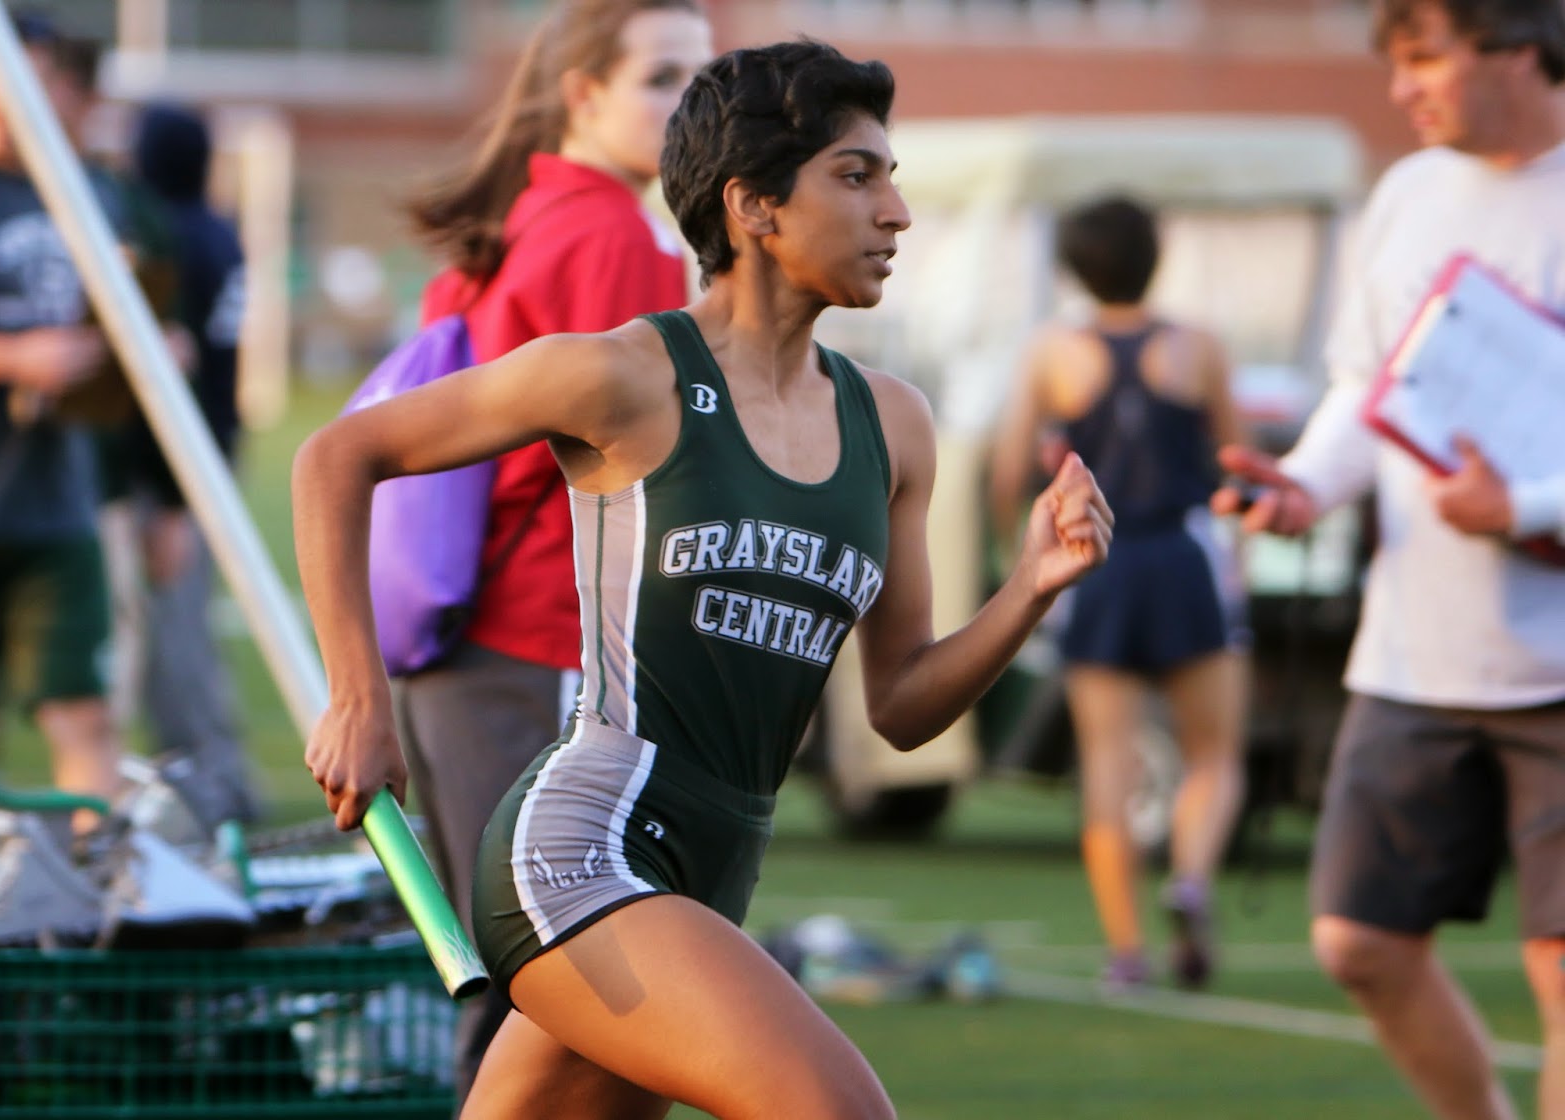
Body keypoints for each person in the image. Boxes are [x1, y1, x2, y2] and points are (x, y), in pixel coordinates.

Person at [296, 39, 1113, 1120]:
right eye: (856, 176)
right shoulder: (621, 374)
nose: (897, 213)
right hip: (585, 848)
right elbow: (336, 458)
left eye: (892, 177)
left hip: (715, 877)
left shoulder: (893, 425)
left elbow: (904, 705)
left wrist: (1028, 590)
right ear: (754, 208)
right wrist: (360, 700)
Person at [1213, 2, 1565, 1117]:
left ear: (1517, 45)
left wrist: (1528, 506)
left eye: (1425, 59)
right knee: (1358, 940)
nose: (1401, 89)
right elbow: (1369, 393)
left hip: (1559, 669)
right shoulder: (1408, 193)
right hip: (1414, 651)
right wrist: (1307, 483)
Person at [393, 0, 711, 1106]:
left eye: (700, 81)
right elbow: (656, 471)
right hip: (530, 642)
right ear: (583, 93)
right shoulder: (609, 236)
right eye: (662, 78)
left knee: (511, 978)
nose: (688, 111)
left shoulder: (524, 212)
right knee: (563, 980)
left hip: (454, 640)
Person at [989, 193, 1249, 992]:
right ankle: (1193, 874)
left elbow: (1006, 474)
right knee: (1215, 753)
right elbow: (1237, 459)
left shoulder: (1052, 352)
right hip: (1181, 554)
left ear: (1075, 267)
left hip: (1096, 561)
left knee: (1108, 758)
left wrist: (1020, 560)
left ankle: (1127, 950)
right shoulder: (1198, 347)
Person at [0, 11, 127, 829]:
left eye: (35, 81)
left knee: (84, 714)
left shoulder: (87, 190)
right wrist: (14, 358)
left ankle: (105, 908)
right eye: (0, 76)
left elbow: (126, 308)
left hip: (55, 505)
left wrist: (144, 339)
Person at [116, 101, 257, 829]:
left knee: (173, 636)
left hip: (180, 462)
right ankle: (213, 776)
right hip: (212, 451)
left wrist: (171, 499)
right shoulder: (219, 232)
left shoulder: (176, 240)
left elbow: (184, 379)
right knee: (177, 628)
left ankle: (212, 785)